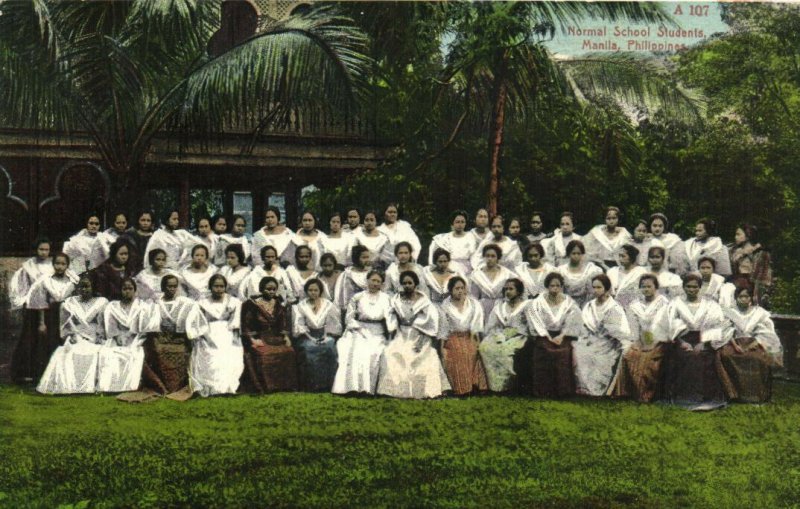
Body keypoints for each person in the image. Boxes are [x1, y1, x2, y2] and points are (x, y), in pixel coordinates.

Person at [377, 271, 451, 398]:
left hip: (419, 335)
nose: (407, 285)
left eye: (410, 283)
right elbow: (391, 316)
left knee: (425, 356)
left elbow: (431, 324)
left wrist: (421, 341)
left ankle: (424, 391)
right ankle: (395, 390)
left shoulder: (424, 302)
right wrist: (393, 326)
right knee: (390, 353)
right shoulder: (396, 299)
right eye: (404, 283)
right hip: (401, 334)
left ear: (416, 284)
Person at [663, 273, 728, 409]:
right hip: (682, 340)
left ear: (700, 287)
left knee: (701, 356)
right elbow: (669, 325)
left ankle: (704, 398)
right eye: (688, 286)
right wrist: (681, 342)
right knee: (687, 356)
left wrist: (704, 344)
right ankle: (685, 397)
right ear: (683, 287)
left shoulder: (711, 305)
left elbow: (716, 325)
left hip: (704, 339)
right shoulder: (675, 303)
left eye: (695, 287)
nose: (691, 290)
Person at [37, 276, 108, 394]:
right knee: (68, 352)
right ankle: (71, 385)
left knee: (97, 351)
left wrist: (100, 336)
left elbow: (103, 323)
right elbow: (65, 325)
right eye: (81, 286)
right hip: (76, 335)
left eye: (87, 286)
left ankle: (92, 386)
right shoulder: (69, 303)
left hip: (94, 336)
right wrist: (71, 335)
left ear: (93, 287)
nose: (84, 290)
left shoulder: (101, 302)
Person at [16, 253, 79, 383]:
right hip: (51, 316)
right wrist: (42, 323)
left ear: (67, 265)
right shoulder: (46, 280)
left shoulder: (73, 281)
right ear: (53, 264)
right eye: (57, 263)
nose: (60, 267)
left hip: (67, 316)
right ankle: (48, 376)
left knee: (67, 343)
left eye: (63, 264)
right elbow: (40, 303)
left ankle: (66, 376)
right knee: (50, 344)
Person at [332, 270, 397, 395]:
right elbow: (349, 318)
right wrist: (359, 329)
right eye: (373, 280)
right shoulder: (358, 297)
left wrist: (391, 332)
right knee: (357, 350)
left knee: (375, 352)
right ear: (367, 281)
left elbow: (390, 319)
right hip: (359, 330)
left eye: (378, 281)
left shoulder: (386, 298)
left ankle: (369, 389)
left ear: (382, 284)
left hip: (378, 332)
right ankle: (354, 387)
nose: (375, 283)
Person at [717, 286, 783, 403]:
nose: (743, 299)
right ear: (735, 298)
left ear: (751, 298)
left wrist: (756, 342)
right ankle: (733, 393)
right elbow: (726, 330)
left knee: (757, 358)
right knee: (726, 355)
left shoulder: (759, 313)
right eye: (740, 297)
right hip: (734, 343)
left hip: (755, 343)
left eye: (746, 296)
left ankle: (755, 396)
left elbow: (766, 332)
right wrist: (735, 345)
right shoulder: (729, 312)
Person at [143, 274, 203, 397]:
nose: (172, 289)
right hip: (161, 339)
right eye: (169, 286)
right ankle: (162, 385)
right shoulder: (155, 303)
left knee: (182, 352)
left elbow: (195, 319)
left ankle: (177, 386)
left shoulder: (185, 303)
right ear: (163, 287)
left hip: (179, 340)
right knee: (158, 351)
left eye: (175, 286)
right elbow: (149, 324)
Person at [573, 274, 632, 397]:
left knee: (600, 360)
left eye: (599, 287)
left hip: (608, 344)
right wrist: (586, 338)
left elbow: (620, 331)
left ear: (606, 288)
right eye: (594, 287)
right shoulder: (589, 306)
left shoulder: (614, 307)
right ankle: (585, 389)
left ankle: (597, 390)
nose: (596, 290)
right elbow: (584, 325)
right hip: (590, 340)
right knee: (580, 352)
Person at [525, 272, 582, 398]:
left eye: (557, 286)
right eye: (551, 286)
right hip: (543, 335)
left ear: (561, 286)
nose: (554, 289)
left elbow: (572, 320)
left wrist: (561, 336)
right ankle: (544, 390)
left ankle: (562, 391)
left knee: (563, 352)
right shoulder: (538, 302)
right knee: (545, 350)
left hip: (563, 335)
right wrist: (547, 336)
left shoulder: (568, 302)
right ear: (547, 286)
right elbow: (536, 321)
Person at [616, 274, 671, 402]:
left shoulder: (664, 303)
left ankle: (647, 394)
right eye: (643, 287)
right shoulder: (634, 305)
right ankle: (631, 392)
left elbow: (664, 326)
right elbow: (634, 329)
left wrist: (652, 342)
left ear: (655, 287)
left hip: (660, 341)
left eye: (649, 286)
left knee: (646, 359)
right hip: (641, 340)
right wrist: (637, 342)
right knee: (630, 355)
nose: (646, 289)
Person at [98, 278, 159, 393]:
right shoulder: (113, 306)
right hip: (118, 338)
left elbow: (143, 328)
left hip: (136, 339)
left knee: (134, 354)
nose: (127, 291)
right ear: (120, 290)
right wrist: (117, 337)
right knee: (109, 353)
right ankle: (112, 386)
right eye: (124, 289)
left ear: (135, 290)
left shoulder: (141, 306)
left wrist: (131, 336)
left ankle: (130, 385)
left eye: (130, 288)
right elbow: (111, 326)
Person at [240, 276, 298, 393]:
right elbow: (246, 324)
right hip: (259, 337)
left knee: (289, 351)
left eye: (273, 289)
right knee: (264, 354)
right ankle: (268, 387)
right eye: (268, 289)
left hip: (275, 338)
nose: (271, 292)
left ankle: (284, 386)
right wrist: (252, 339)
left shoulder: (278, 304)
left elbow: (283, 323)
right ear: (261, 289)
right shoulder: (251, 304)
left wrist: (286, 337)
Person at [190, 274, 244, 397]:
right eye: (216, 286)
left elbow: (235, 323)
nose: (219, 289)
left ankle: (227, 387)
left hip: (228, 333)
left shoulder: (234, 302)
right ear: (210, 287)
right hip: (208, 334)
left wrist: (235, 339)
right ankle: (211, 387)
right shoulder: (202, 303)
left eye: (221, 286)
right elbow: (199, 322)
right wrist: (205, 336)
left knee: (231, 354)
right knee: (211, 355)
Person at [438, 276, 488, 396]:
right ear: (450, 290)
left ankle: (475, 384)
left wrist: (477, 344)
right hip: (453, 337)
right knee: (459, 352)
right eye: (456, 288)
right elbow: (443, 328)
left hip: (469, 336)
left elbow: (476, 327)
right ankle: (462, 388)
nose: (460, 291)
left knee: (471, 351)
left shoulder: (473, 304)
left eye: (462, 288)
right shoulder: (445, 306)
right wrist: (442, 348)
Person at [479, 278, 530, 393]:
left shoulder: (526, 306)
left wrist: (515, 332)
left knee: (505, 351)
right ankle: (494, 385)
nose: (508, 291)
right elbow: (492, 325)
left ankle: (508, 385)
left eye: (511, 289)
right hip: (501, 334)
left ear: (518, 291)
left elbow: (530, 325)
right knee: (485, 347)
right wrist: (497, 335)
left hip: (520, 336)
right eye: (506, 289)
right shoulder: (500, 307)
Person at [292, 278, 342, 391]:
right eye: (310, 290)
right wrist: (311, 338)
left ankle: (327, 385)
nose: (313, 292)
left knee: (330, 346)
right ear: (306, 291)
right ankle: (311, 386)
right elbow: (299, 325)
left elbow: (332, 324)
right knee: (308, 348)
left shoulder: (328, 305)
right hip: (307, 336)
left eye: (315, 290)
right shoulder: (301, 306)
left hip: (325, 335)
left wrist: (325, 337)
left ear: (320, 291)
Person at [728, 224, 772, 307]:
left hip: (751, 284)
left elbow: (764, 275)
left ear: (748, 236)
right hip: (734, 282)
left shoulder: (759, 252)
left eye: (738, 234)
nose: (735, 237)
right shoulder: (733, 250)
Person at [469, 244, 514, 320]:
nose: (490, 259)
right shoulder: (476, 275)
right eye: (487, 256)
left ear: (498, 258)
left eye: (493, 256)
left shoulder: (507, 274)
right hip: (483, 309)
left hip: (502, 308)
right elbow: (474, 297)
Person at [9, 238, 53, 311]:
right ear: (36, 249)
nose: (44, 252)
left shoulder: (52, 265)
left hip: (49, 302)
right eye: (41, 249)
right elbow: (22, 285)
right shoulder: (28, 266)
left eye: (46, 250)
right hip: (32, 303)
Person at [428, 210, 477, 275]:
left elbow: (474, 256)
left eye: (462, 222)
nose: (460, 224)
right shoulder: (445, 238)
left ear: (465, 223)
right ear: (452, 223)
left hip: (467, 271)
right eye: (457, 222)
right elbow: (432, 251)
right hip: (448, 270)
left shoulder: (471, 237)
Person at [557, 240, 603, 308]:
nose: (576, 256)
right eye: (574, 253)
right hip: (567, 305)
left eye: (579, 253)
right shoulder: (561, 271)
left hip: (587, 305)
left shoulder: (591, 270)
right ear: (568, 254)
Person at [378, 203, 422, 267]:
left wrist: (412, 257)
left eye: (394, 212)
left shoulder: (404, 226)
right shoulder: (379, 230)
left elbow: (416, 243)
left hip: (406, 262)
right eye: (390, 212)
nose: (392, 214)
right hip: (386, 264)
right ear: (384, 214)